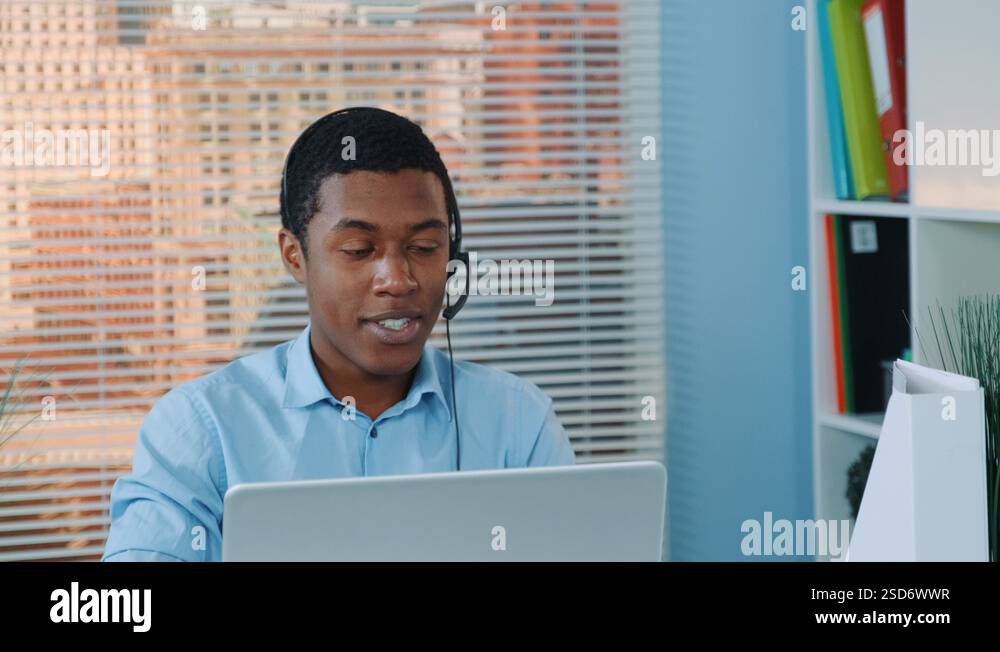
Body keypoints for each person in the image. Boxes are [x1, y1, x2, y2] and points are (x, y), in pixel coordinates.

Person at [102, 107, 575, 562]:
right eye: (358, 249)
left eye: (425, 247)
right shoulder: (202, 429)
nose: (397, 278)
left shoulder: (517, 422)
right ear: (294, 256)